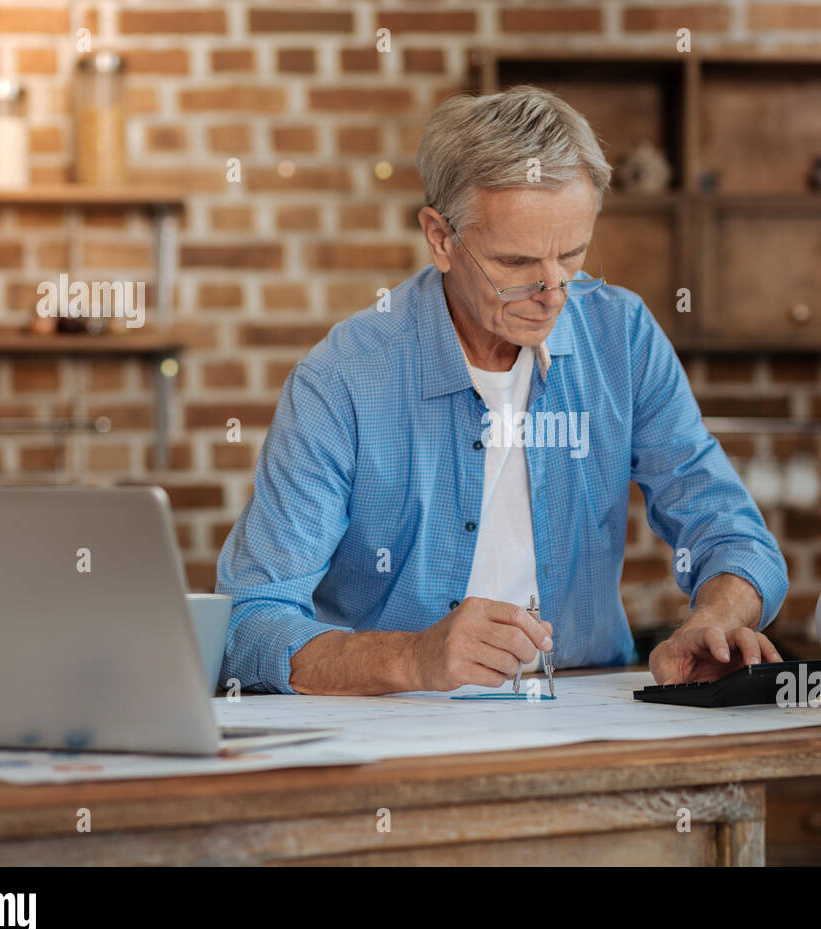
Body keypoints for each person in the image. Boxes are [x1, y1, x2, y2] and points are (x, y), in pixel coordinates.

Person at [216, 86, 788, 695]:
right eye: (515, 264)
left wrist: (715, 619)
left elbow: (731, 533)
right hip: (396, 729)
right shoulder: (342, 380)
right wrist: (413, 658)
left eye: (571, 254)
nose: (553, 293)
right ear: (441, 239)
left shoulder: (622, 339)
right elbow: (250, 624)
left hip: (587, 710)